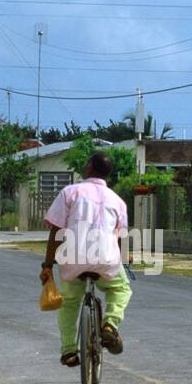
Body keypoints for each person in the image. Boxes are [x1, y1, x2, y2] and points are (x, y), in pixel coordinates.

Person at [38, 152, 132, 367]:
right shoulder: (118, 201)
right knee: (121, 288)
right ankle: (110, 325)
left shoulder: (70, 192)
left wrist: (47, 265)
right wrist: (122, 260)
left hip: (73, 259)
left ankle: (69, 351)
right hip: (106, 259)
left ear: (89, 167)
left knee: (69, 302)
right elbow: (120, 237)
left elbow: (56, 230)